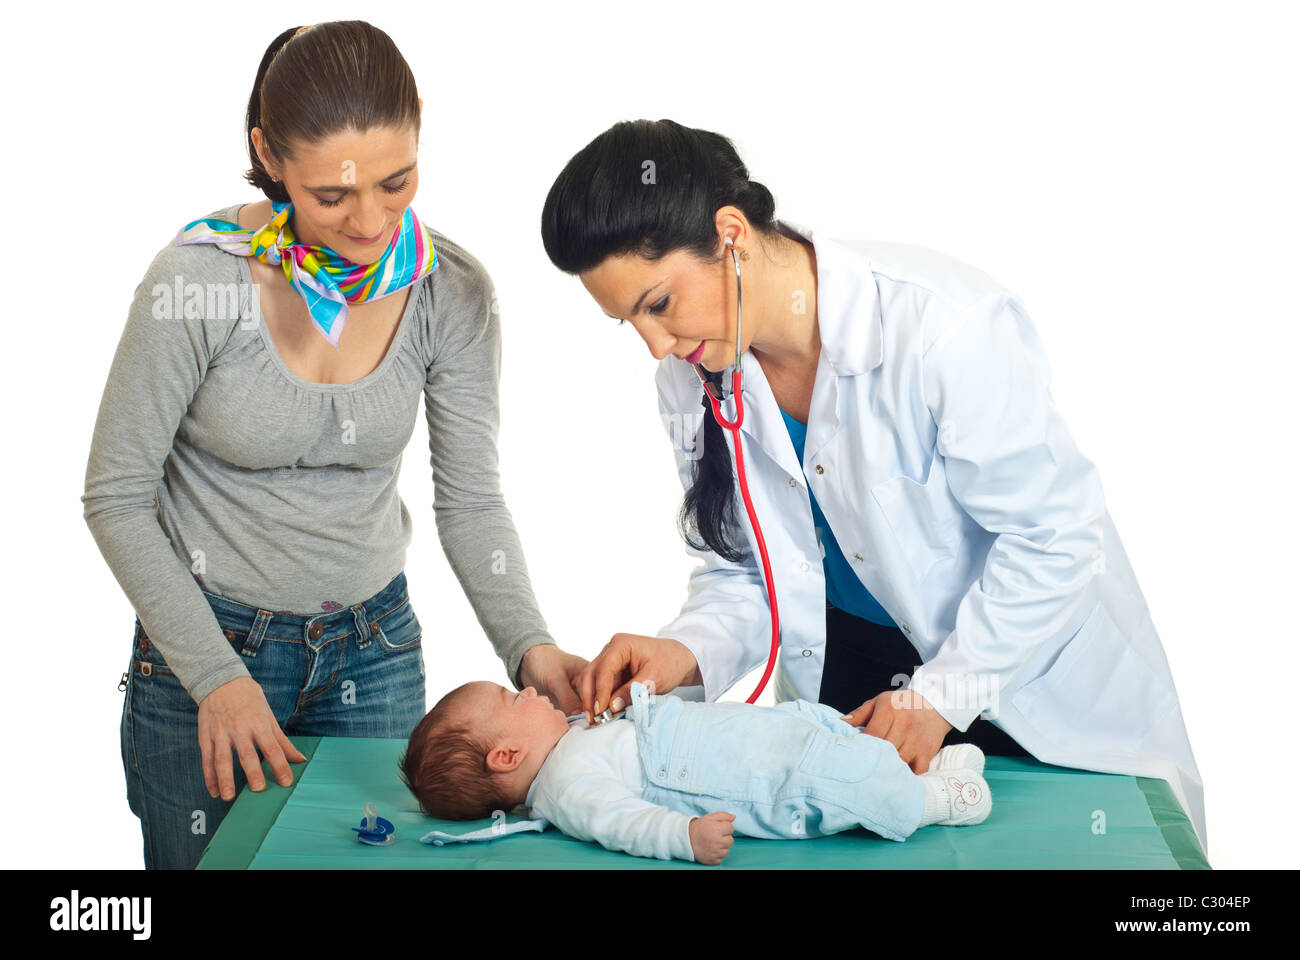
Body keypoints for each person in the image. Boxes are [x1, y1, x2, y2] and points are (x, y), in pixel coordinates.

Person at [538, 118, 1207, 856]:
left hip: (1025, 678)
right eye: (627, 320)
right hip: (854, 687)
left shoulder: (941, 325)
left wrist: (940, 696)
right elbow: (747, 569)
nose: (655, 345)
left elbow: (1054, 538)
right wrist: (685, 654)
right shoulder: (693, 377)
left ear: (730, 233)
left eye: (658, 303)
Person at [82, 21, 586, 870]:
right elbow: (116, 497)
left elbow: (468, 499)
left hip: (374, 654)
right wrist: (214, 678)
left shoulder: (449, 292)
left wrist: (531, 650)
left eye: (397, 182)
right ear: (269, 156)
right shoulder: (198, 282)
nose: (371, 223)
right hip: (204, 646)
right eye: (332, 197)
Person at [401, 681, 991, 864]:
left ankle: (925, 765)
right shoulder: (565, 787)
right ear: (506, 757)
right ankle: (939, 798)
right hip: (753, 778)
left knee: (821, 728)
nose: (528, 688)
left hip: (744, 736)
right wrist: (683, 837)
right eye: (513, 699)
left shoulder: (572, 737)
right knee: (837, 781)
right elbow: (622, 822)